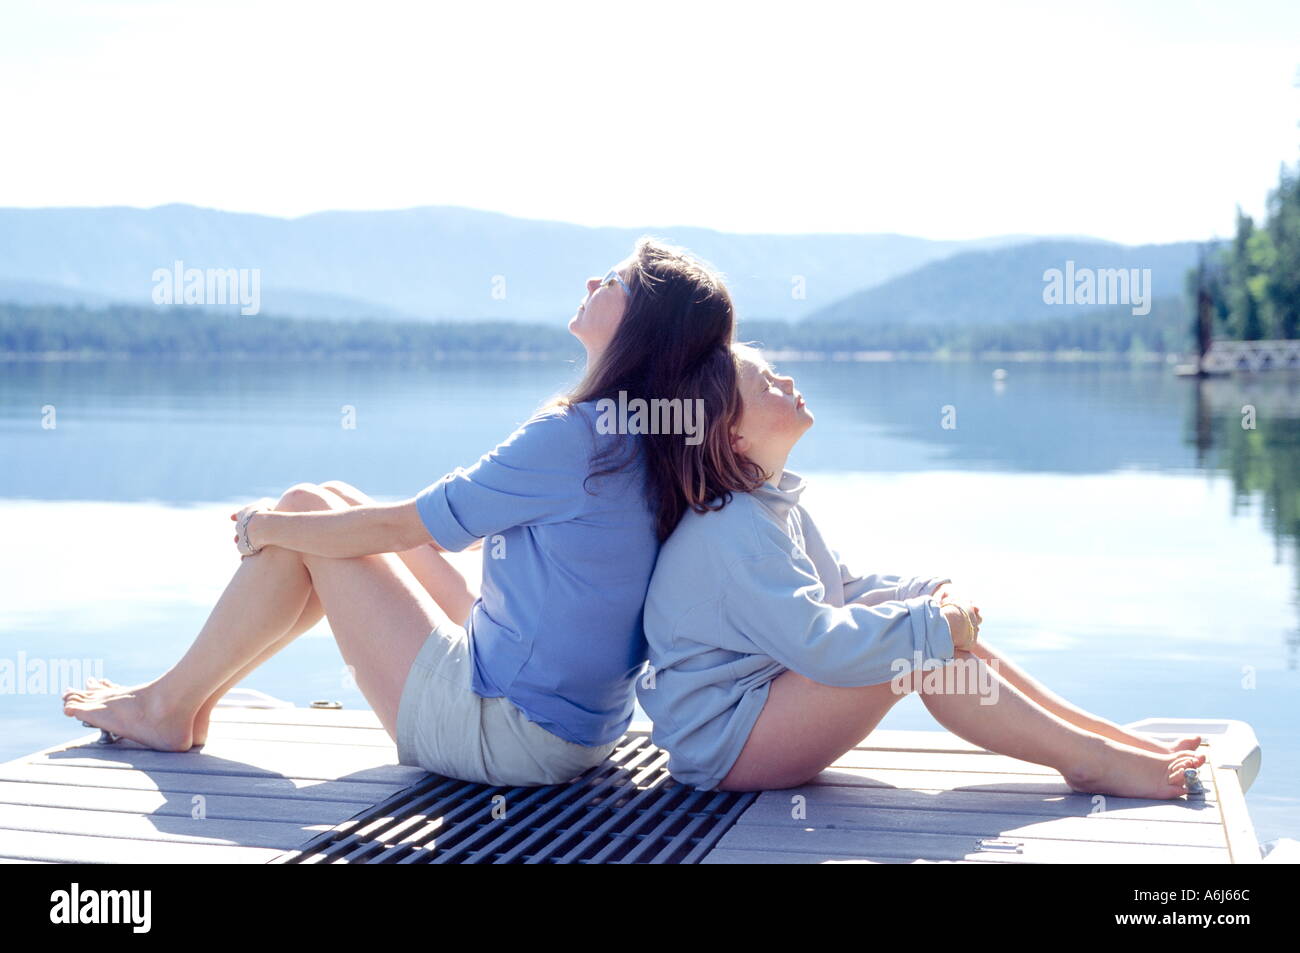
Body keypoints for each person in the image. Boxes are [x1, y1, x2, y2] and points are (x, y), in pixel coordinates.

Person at [62, 236, 754, 787]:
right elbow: (442, 529)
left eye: (614, 281)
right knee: (334, 500)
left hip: (508, 735)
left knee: (305, 510)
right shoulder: (649, 439)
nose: (592, 284)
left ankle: (167, 707)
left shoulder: (575, 439)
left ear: (641, 326)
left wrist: (263, 526)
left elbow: (407, 528)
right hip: (581, 729)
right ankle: (184, 701)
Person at [638, 342, 1208, 799]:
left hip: (756, 719)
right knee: (922, 653)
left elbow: (845, 590)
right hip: (726, 747)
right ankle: (1090, 762)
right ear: (733, 436)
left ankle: (1111, 741)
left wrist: (930, 593)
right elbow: (819, 644)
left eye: (777, 373)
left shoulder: (768, 507)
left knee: (930, 634)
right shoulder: (734, 529)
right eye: (765, 384)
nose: (785, 382)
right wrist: (932, 627)